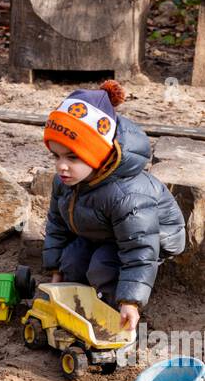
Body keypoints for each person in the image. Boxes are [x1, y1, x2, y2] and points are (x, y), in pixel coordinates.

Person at [42, 80, 185, 331]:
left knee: (102, 267)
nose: (61, 166)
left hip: (152, 238)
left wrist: (131, 300)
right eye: (57, 155)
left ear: (97, 156)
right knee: (72, 260)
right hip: (103, 231)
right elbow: (56, 224)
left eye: (73, 157)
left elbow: (140, 248)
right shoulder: (66, 181)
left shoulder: (127, 194)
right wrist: (56, 269)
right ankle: (74, 306)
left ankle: (110, 314)